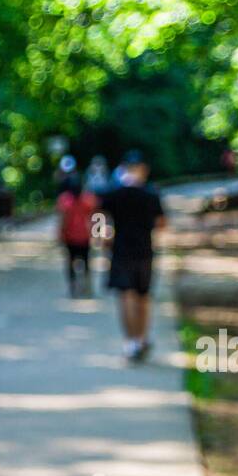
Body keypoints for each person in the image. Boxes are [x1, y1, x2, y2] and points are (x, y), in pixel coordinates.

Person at [98, 151, 165, 361]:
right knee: (143, 297)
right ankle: (141, 338)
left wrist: (102, 234)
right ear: (144, 169)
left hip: (120, 251)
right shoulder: (151, 194)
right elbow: (162, 223)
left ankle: (130, 342)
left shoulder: (113, 193)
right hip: (145, 251)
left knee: (125, 295)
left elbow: (98, 215)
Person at [56, 174, 96, 298]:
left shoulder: (65, 199)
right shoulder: (88, 199)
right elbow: (94, 218)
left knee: (71, 263)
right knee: (86, 263)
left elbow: (62, 219)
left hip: (71, 237)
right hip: (84, 236)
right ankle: (87, 287)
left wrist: (60, 234)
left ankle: (73, 288)